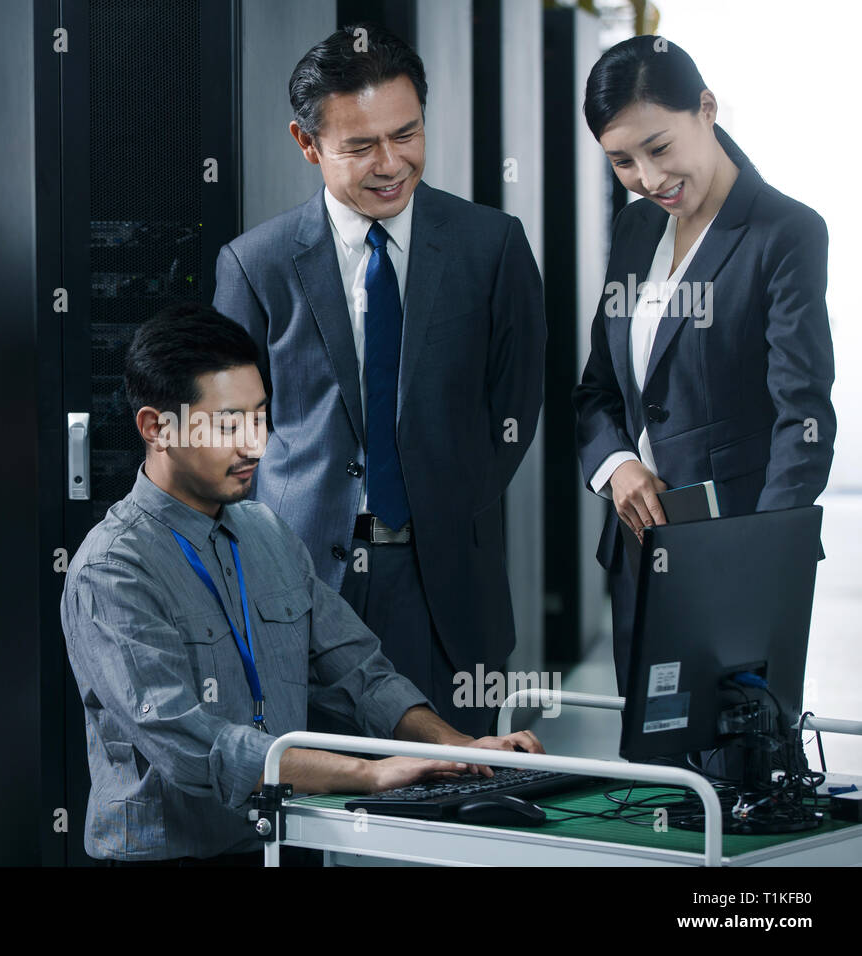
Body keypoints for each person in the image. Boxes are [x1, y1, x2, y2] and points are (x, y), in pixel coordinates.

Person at [60, 304, 543, 865]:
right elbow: (193, 745)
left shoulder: (265, 531)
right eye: (226, 424)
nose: (253, 446)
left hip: (283, 838)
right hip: (175, 857)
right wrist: (369, 774)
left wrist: (458, 747)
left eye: (260, 418)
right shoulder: (113, 569)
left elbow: (358, 671)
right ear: (155, 428)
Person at [212, 24, 545, 739]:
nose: (391, 163)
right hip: (301, 577)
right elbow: (230, 429)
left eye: (407, 133)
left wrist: (446, 501)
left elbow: (514, 406)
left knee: (461, 793)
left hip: (447, 579)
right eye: (361, 147)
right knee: (303, 814)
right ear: (307, 145)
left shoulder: (492, 246)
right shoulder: (256, 263)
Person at [572, 36, 835, 703]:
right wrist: (617, 466)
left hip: (740, 560)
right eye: (622, 160)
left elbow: (802, 417)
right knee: (658, 772)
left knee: (743, 776)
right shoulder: (634, 233)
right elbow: (597, 391)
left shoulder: (783, 233)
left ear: (707, 109)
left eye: (658, 148)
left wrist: (760, 562)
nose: (648, 178)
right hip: (643, 555)